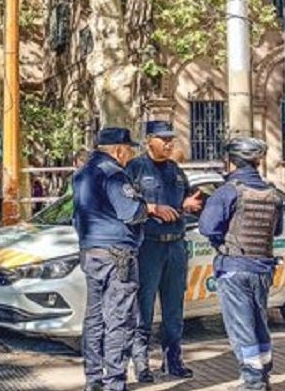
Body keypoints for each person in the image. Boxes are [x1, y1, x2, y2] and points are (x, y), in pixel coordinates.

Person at [73, 127, 161, 391]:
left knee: (94, 318)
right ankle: (115, 382)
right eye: (129, 149)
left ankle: (93, 379)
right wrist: (146, 207)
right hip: (117, 256)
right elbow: (131, 212)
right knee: (119, 320)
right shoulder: (113, 174)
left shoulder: (81, 174)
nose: (130, 155)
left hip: (92, 252)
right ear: (118, 150)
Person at [199, 136, 285, 391]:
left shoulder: (228, 191)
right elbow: (277, 230)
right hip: (263, 268)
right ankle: (263, 374)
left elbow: (207, 227)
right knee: (259, 322)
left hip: (234, 267)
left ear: (230, 161)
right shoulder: (272, 193)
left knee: (241, 326)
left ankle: (253, 382)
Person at [126, 120, 203, 382]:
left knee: (174, 309)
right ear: (149, 140)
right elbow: (126, 206)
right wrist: (151, 207)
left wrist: (188, 204)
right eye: (163, 139)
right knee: (143, 308)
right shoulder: (136, 168)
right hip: (149, 246)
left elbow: (183, 203)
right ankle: (141, 363)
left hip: (176, 246)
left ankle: (173, 360)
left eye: (171, 139)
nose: (169, 144)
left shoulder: (175, 170)